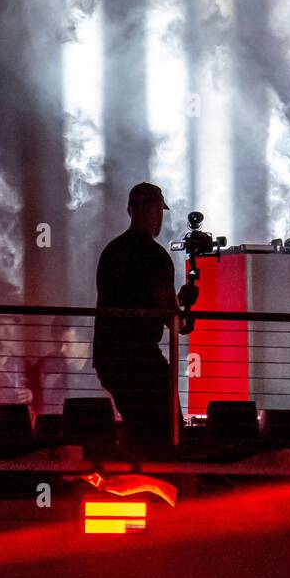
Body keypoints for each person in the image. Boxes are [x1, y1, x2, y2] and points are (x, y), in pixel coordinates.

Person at [93, 182, 181, 451]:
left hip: (110, 358)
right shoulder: (156, 257)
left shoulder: (112, 252)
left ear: (130, 210)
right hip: (141, 359)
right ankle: (162, 479)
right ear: (157, 211)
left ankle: (132, 476)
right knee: (167, 429)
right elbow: (173, 318)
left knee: (138, 428)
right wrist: (184, 305)